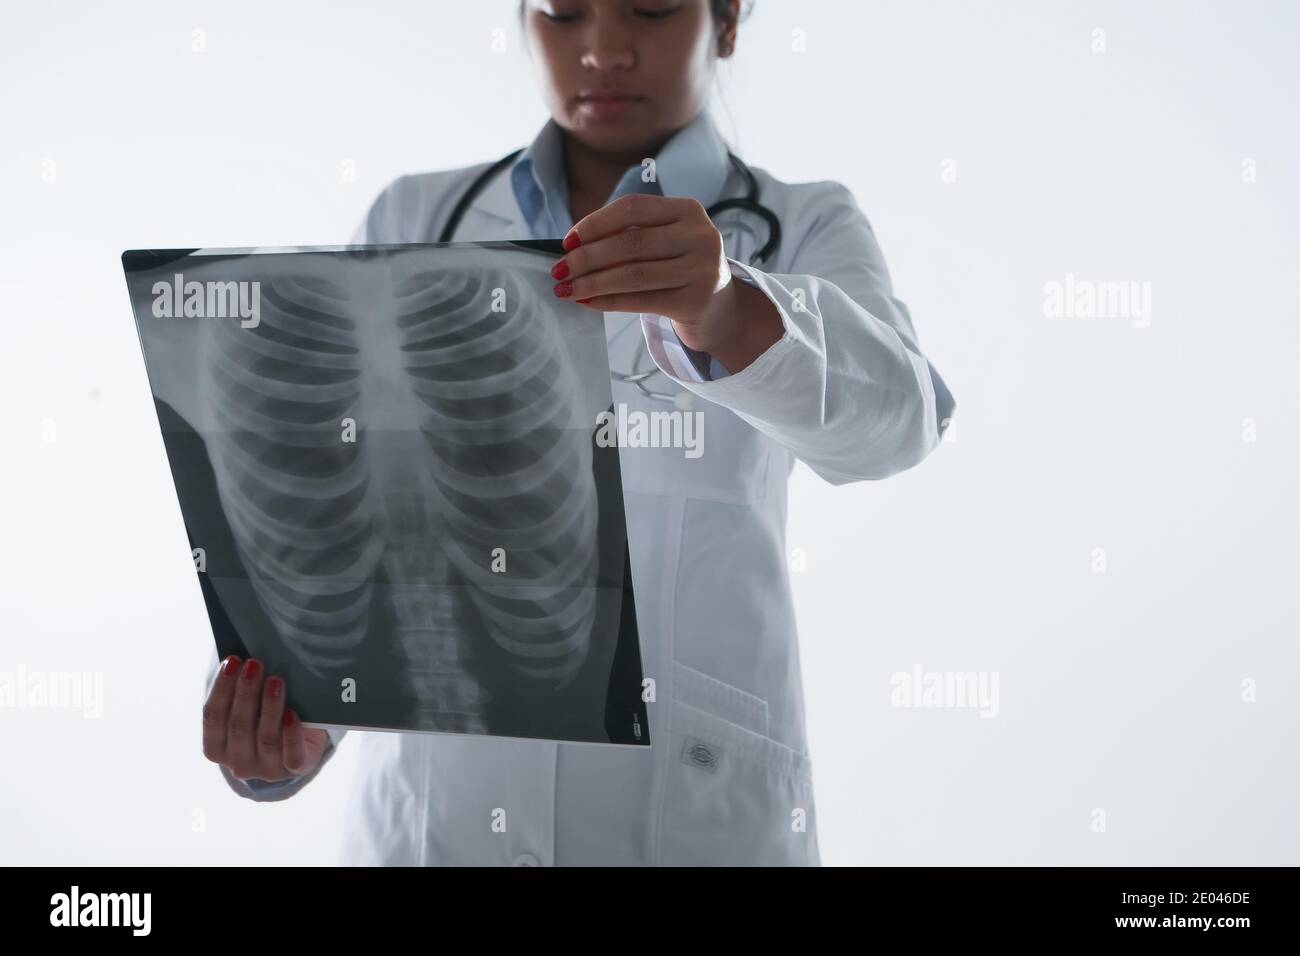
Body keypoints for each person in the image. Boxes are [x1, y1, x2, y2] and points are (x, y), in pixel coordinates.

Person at [201, 0, 955, 866]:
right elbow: (339, 533)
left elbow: (899, 422)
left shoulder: (803, 223)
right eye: (562, 13)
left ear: (731, 18)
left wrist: (724, 306)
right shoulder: (416, 217)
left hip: (692, 815)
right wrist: (296, 734)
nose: (602, 49)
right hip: (432, 821)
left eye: (649, 9)